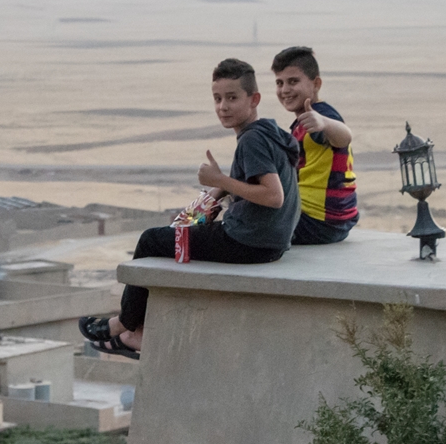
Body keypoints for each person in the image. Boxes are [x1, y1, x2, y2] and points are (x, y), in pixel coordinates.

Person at [78, 58, 300, 358]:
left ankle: (127, 327)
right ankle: (133, 329)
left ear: (254, 99)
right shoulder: (269, 133)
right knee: (172, 234)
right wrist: (207, 199)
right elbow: (241, 186)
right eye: (217, 99)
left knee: (151, 240)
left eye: (232, 98)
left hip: (247, 243)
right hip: (270, 243)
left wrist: (218, 178)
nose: (223, 106)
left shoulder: (251, 140)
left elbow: (274, 197)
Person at [272, 46, 358, 245]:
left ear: (316, 83)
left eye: (293, 81)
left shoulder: (321, 116)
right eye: (279, 82)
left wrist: (324, 124)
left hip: (319, 221)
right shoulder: (304, 122)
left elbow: (344, 137)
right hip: (328, 221)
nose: (285, 90)